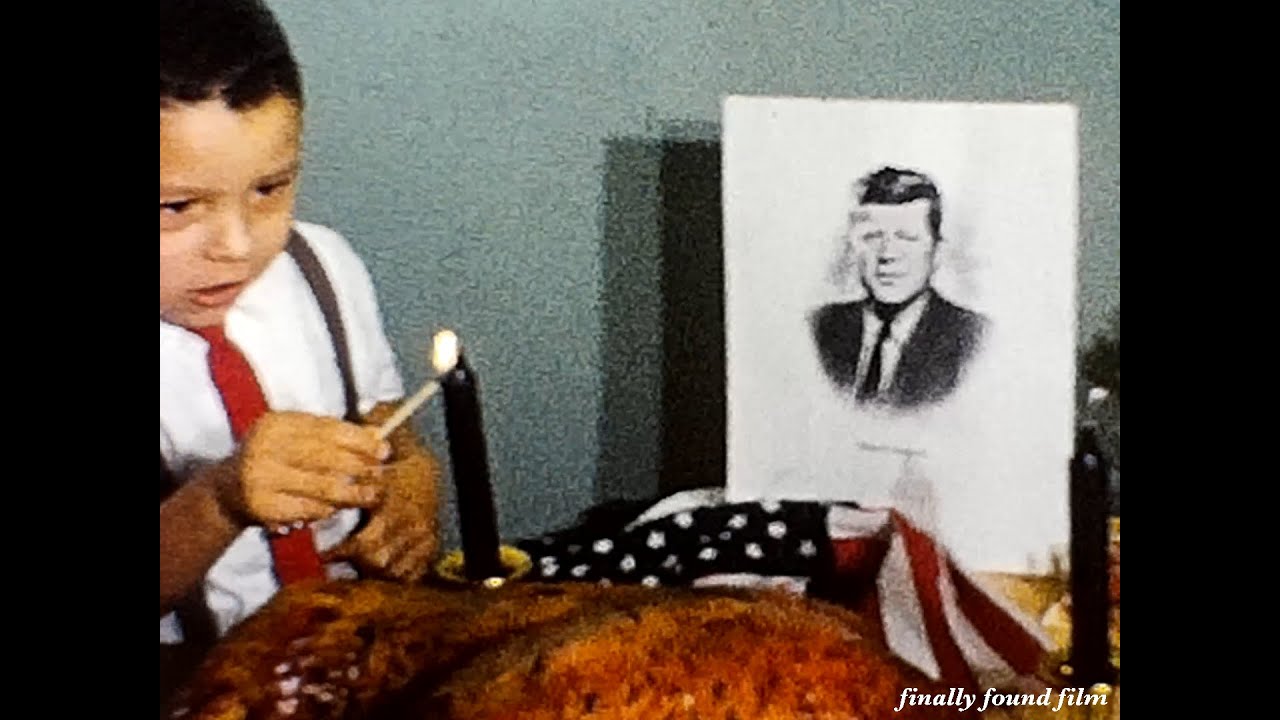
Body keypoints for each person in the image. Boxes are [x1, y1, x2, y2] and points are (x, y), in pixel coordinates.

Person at [159, 0, 441, 688]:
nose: (235, 245)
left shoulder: (322, 266)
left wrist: (412, 483)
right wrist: (220, 501)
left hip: (358, 641)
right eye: (176, 208)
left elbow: (383, 419)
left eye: (270, 189)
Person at [810, 166, 988, 410]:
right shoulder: (819, 329)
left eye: (906, 237)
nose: (887, 254)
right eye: (872, 236)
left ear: (937, 253)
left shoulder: (973, 340)